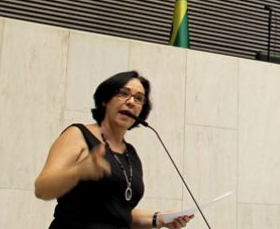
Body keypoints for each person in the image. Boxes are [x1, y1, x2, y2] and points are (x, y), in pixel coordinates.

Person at [35, 71, 194, 229]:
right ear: (105, 100)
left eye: (138, 98)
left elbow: (119, 214)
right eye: (123, 94)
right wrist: (79, 171)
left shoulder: (130, 154)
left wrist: (159, 219)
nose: (131, 102)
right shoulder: (78, 135)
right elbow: (42, 189)